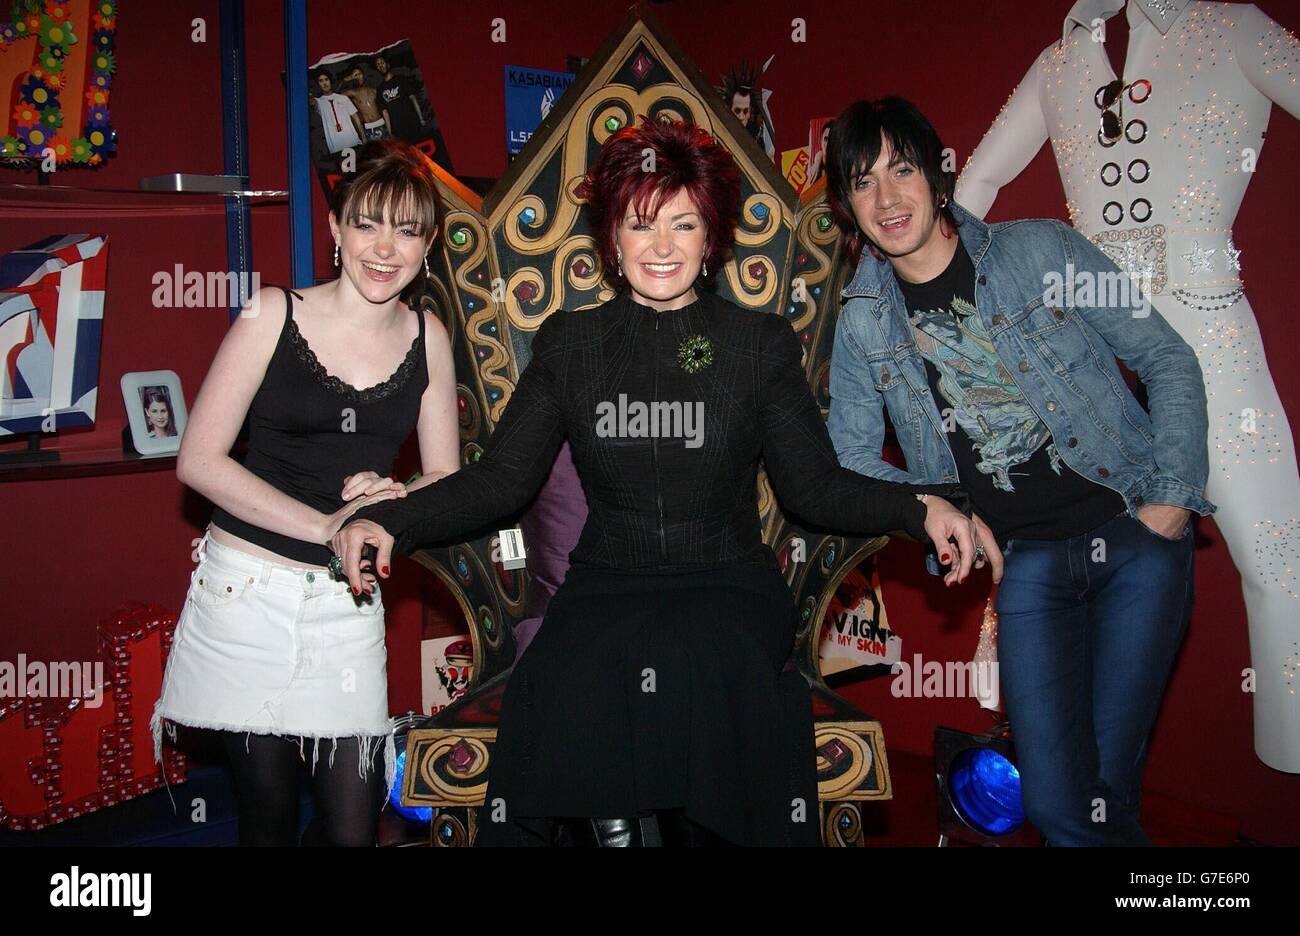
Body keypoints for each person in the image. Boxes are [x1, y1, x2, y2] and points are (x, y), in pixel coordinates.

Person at [330, 117, 979, 847]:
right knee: (563, 673)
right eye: (642, 225)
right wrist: (395, 518)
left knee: (702, 659)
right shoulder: (573, 345)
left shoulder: (755, 345)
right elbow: (500, 481)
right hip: (607, 582)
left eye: (684, 224)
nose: (662, 246)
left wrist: (918, 506)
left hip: (728, 581)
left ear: (711, 240)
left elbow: (814, 487)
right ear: (612, 239)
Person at [823, 97, 1215, 846]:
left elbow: (1167, 357)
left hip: (1133, 535)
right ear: (848, 204)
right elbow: (849, 462)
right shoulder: (865, 318)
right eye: (862, 180)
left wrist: (1169, 503)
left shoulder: (1041, 251)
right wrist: (948, 513)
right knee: (1060, 803)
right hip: (1029, 566)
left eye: (900, 169)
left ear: (939, 175)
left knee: (1099, 791)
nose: (886, 197)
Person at [151, 140, 461, 846]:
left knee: (353, 828)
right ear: (334, 230)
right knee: (266, 812)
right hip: (243, 593)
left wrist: (394, 494)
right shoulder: (271, 314)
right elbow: (198, 460)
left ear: (429, 243)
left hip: (345, 601)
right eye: (368, 224)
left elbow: (443, 479)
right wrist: (328, 526)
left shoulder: (429, 337)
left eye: (408, 230)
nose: (385, 249)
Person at [313, 70, 364, 154]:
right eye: (321, 81)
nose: (324, 83)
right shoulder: (318, 102)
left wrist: (363, 137)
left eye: (326, 79)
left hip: (353, 142)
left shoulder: (343, 98)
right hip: (336, 148)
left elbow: (356, 119)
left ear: (330, 81)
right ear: (318, 84)